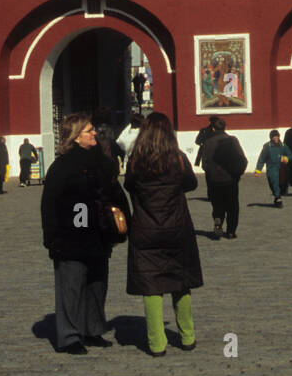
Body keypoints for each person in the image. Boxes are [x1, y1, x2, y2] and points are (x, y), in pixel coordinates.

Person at [41, 114, 129, 355]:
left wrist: (125, 220)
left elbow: (116, 192)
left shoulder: (102, 161)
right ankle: (70, 336)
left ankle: (93, 329)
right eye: (89, 130)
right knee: (71, 287)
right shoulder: (62, 166)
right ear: (76, 136)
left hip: (99, 234)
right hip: (71, 238)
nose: (94, 134)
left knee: (97, 285)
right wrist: (52, 238)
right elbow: (50, 205)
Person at [125, 112, 203, 357]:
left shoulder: (136, 161)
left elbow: (129, 186)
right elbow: (191, 184)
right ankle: (187, 336)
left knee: (152, 285)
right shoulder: (177, 159)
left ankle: (156, 343)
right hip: (177, 228)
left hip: (146, 229)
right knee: (181, 282)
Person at [200, 118, 248, 238]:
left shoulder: (208, 142)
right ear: (225, 127)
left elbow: (204, 164)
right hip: (230, 179)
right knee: (232, 206)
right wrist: (237, 175)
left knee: (217, 204)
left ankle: (218, 219)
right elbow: (242, 159)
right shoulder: (232, 140)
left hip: (214, 181)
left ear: (214, 128)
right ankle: (231, 231)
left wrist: (211, 173)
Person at [255, 131, 292, 207]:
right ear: (271, 138)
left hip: (281, 168)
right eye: (274, 137)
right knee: (273, 183)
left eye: (277, 136)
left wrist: (286, 158)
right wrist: (258, 170)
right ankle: (277, 196)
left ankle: (278, 198)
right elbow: (262, 159)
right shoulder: (267, 147)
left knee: (280, 184)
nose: (276, 138)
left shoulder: (283, 145)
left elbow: (291, 155)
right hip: (271, 168)